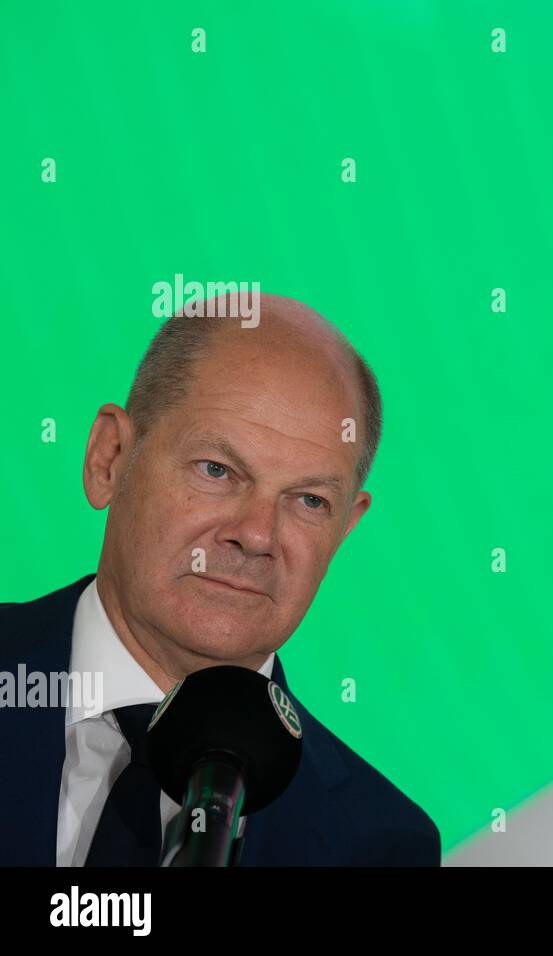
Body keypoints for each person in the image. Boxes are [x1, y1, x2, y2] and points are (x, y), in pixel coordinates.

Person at [0, 292, 440, 866]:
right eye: (217, 469)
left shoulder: (380, 846)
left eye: (309, 500)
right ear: (110, 457)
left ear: (344, 529)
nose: (257, 535)